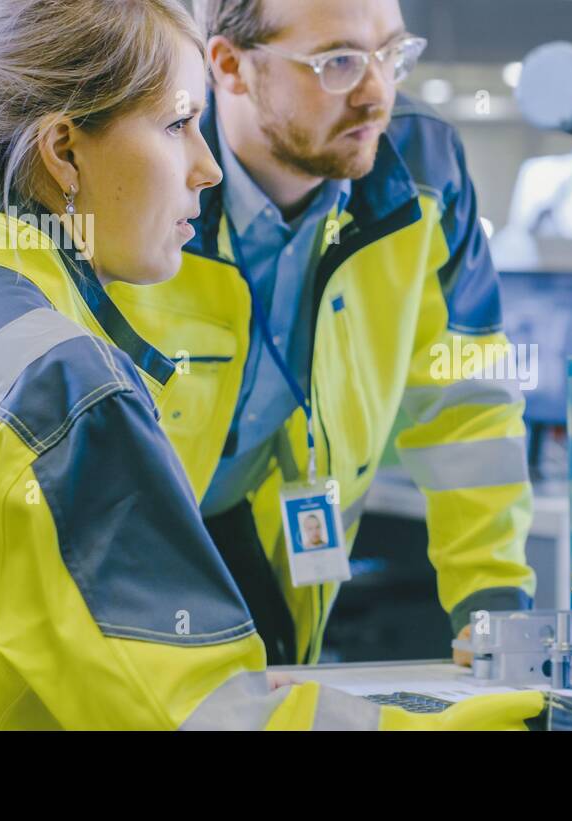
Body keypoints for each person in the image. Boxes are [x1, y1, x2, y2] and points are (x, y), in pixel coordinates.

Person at [0, 0, 572, 731]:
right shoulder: (65, 391)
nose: (205, 166)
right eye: (179, 125)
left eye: (393, 55)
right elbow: (220, 725)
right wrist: (548, 723)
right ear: (63, 151)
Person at [109, 0, 536, 669]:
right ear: (229, 66)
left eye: (391, 54)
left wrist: (494, 608)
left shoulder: (424, 169)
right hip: (119, 553)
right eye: (336, 62)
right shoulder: (143, 173)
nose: (378, 94)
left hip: (265, 541)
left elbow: (467, 407)